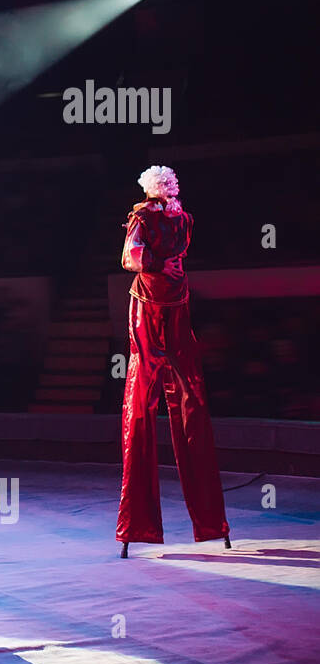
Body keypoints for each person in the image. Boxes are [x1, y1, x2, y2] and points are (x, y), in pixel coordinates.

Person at [116, 165, 230, 558]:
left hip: (164, 309)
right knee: (165, 406)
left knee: (169, 404)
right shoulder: (164, 216)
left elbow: (136, 256)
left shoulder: (164, 217)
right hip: (162, 307)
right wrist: (158, 263)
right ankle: (161, 522)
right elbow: (137, 257)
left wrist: (156, 263)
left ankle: (191, 521)